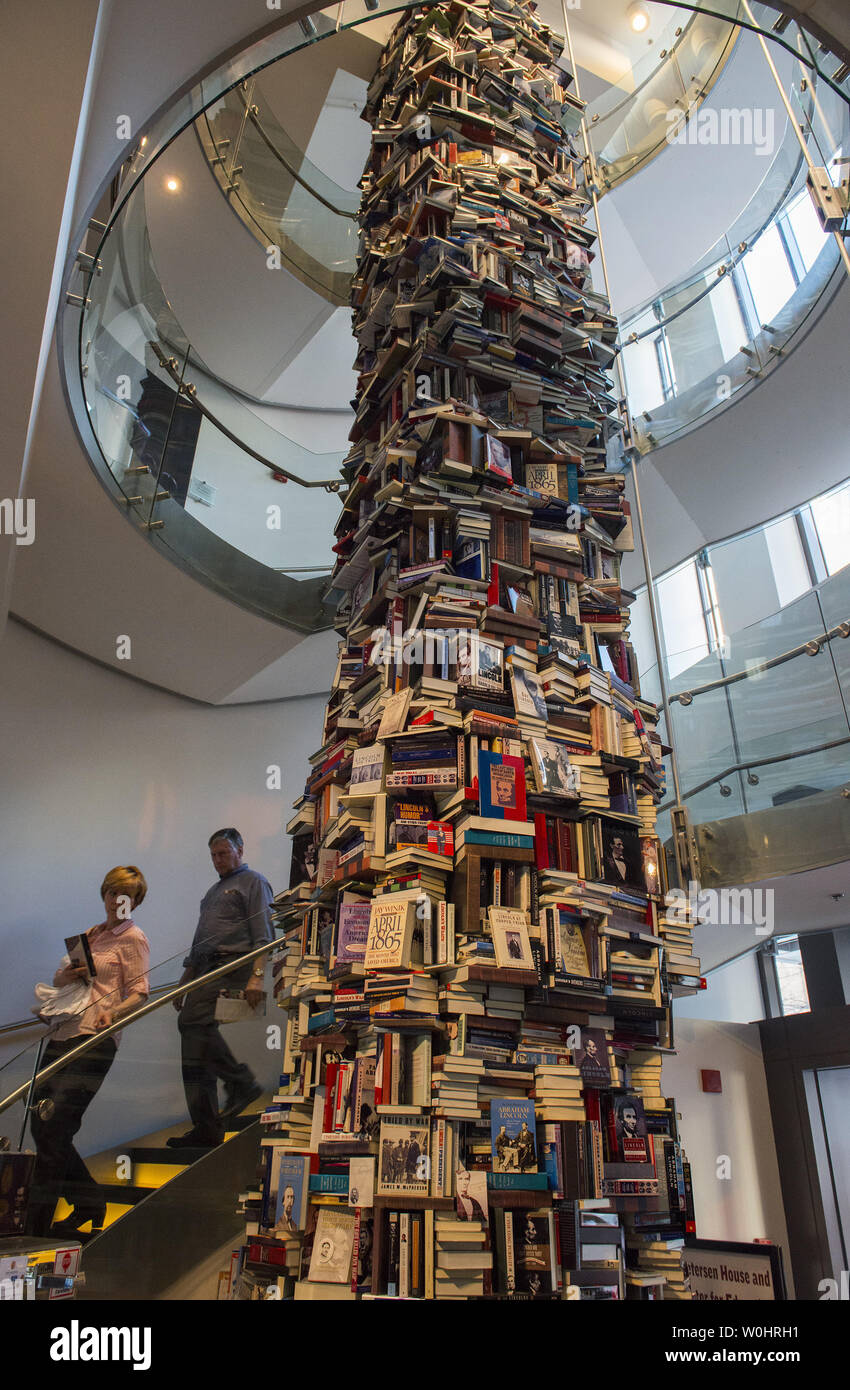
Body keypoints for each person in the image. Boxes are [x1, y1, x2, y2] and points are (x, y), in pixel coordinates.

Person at [27, 867, 150, 1238]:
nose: (118, 901)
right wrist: (66, 977)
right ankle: (88, 1201)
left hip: (94, 1040)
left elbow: (141, 992)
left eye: (127, 895)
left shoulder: (134, 938)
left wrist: (113, 1013)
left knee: (55, 1125)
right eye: (114, 892)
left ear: (135, 901)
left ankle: (34, 1227)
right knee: (42, 1124)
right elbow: (60, 980)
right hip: (62, 1033)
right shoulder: (90, 935)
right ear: (105, 894)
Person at [168, 829, 273, 1149]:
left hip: (231, 968)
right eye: (213, 855)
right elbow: (200, 940)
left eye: (224, 853)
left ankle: (241, 1082)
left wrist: (257, 976)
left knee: (190, 1024)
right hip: (204, 970)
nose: (218, 860)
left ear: (240, 849)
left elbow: (264, 932)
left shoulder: (253, 881)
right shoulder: (213, 891)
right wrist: (184, 981)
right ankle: (207, 1128)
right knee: (193, 1052)